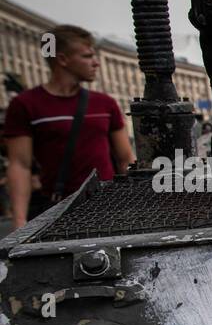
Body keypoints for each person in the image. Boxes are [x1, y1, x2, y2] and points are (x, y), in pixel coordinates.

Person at [3, 25, 134, 228]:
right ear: (63, 60)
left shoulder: (105, 103)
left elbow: (125, 158)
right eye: (87, 56)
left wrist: (134, 203)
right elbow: (20, 164)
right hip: (58, 210)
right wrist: (19, 220)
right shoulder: (25, 104)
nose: (96, 63)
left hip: (109, 205)